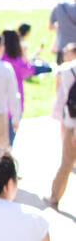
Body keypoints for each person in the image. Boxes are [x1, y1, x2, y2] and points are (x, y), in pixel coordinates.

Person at [46, 42, 76, 210]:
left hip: (72, 123)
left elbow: (63, 96)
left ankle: (54, 196)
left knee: (66, 163)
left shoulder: (66, 70)